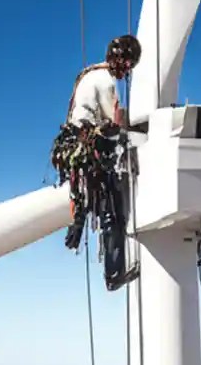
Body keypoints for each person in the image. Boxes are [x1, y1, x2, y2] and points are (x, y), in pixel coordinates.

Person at [53, 33, 142, 291]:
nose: (126, 71)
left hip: (73, 146)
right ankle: (114, 273)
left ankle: (78, 222)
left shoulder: (90, 74)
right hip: (89, 147)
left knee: (95, 200)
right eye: (128, 66)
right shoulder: (106, 82)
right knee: (114, 210)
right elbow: (113, 123)